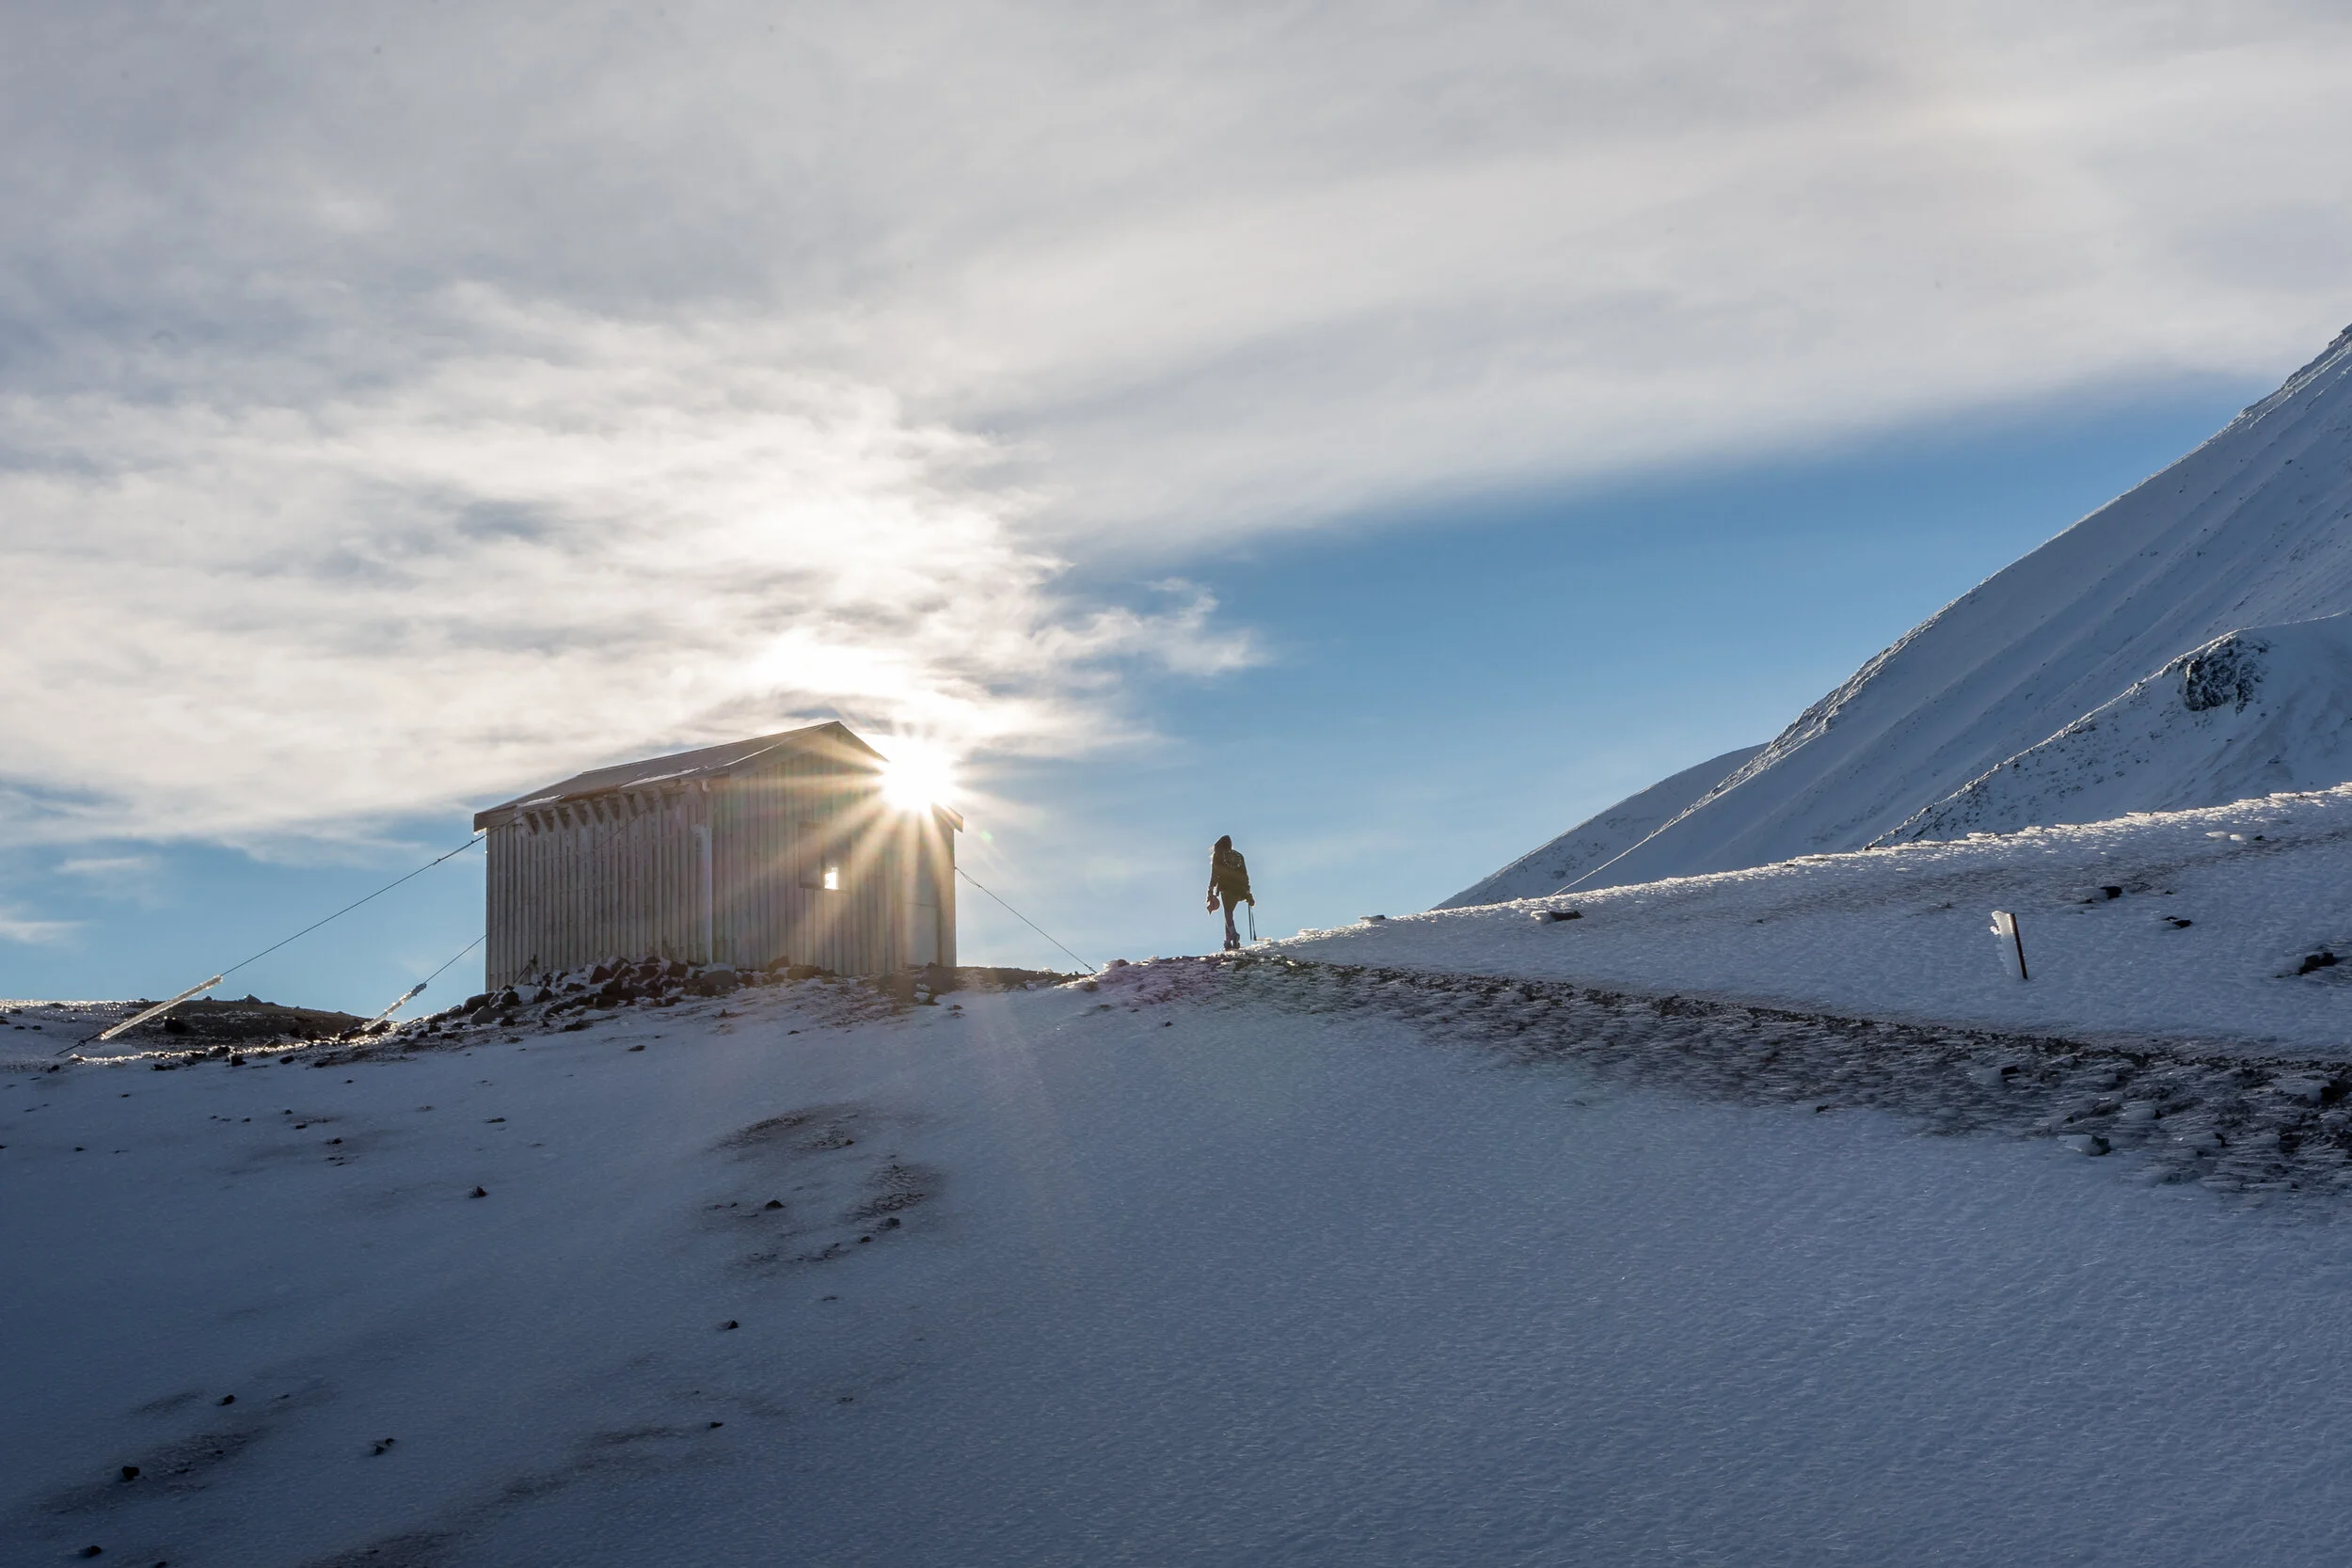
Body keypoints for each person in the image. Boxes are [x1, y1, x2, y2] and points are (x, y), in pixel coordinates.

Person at [1205, 834, 1254, 951]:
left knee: (1228, 914)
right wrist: (1248, 893)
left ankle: (1233, 935)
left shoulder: (1218, 855)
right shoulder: (1239, 856)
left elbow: (1215, 873)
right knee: (1228, 913)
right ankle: (1228, 941)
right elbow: (1245, 875)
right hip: (1240, 889)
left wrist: (1211, 890)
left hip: (1226, 888)